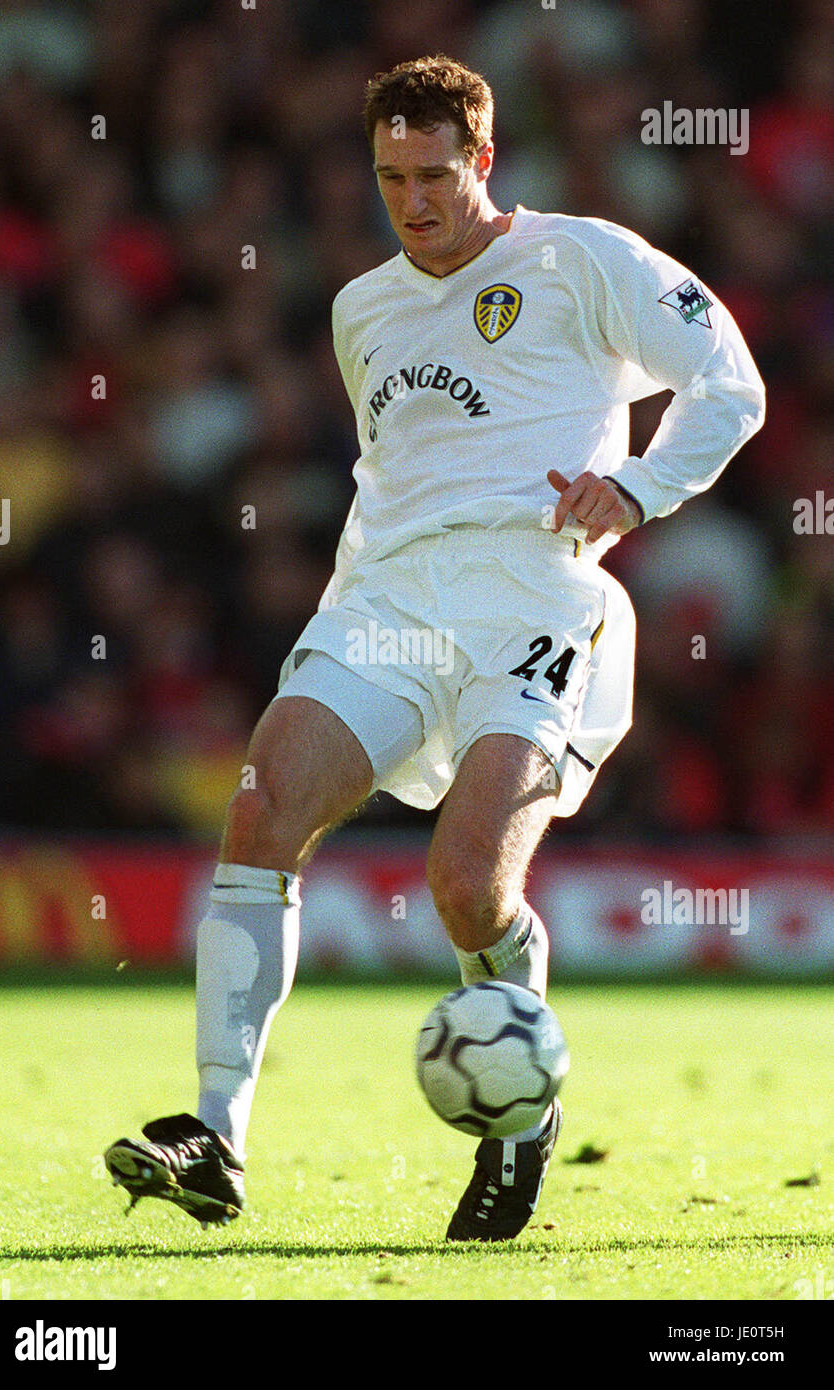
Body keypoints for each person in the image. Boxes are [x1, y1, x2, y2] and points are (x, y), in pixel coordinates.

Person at [105, 56, 765, 1241]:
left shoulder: (583, 258)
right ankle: (214, 1132)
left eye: (432, 175)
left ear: (483, 160)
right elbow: (390, 479)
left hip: (536, 600)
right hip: (388, 601)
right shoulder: (360, 309)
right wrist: (339, 619)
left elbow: (727, 381)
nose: (410, 201)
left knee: (467, 886)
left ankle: (519, 1113)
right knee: (261, 808)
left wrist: (637, 487)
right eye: (387, 177)